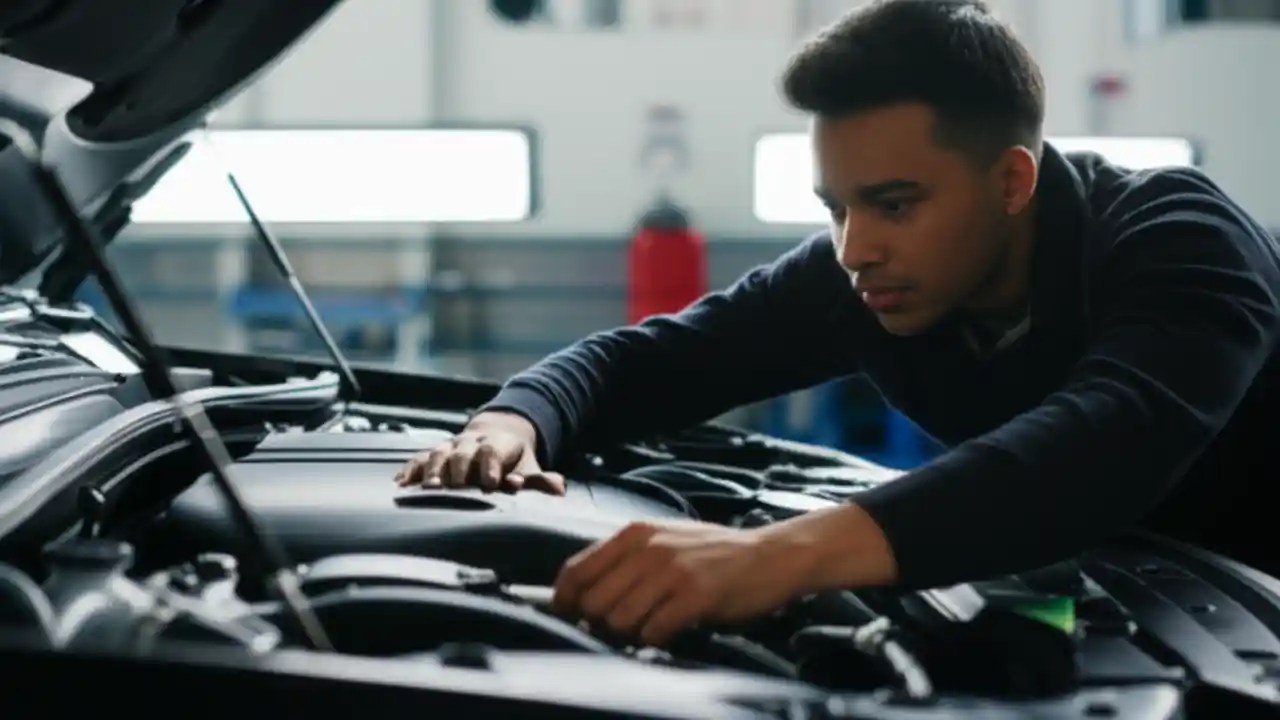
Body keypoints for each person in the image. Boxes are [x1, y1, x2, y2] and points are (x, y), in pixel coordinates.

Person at [396, 0, 1280, 647]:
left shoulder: (1181, 240)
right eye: (836, 208)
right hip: (1161, 593)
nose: (855, 248)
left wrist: (773, 558)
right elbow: (656, 360)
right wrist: (514, 421)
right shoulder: (864, 274)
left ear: (1013, 182)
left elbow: (1104, 439)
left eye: (895, 203)